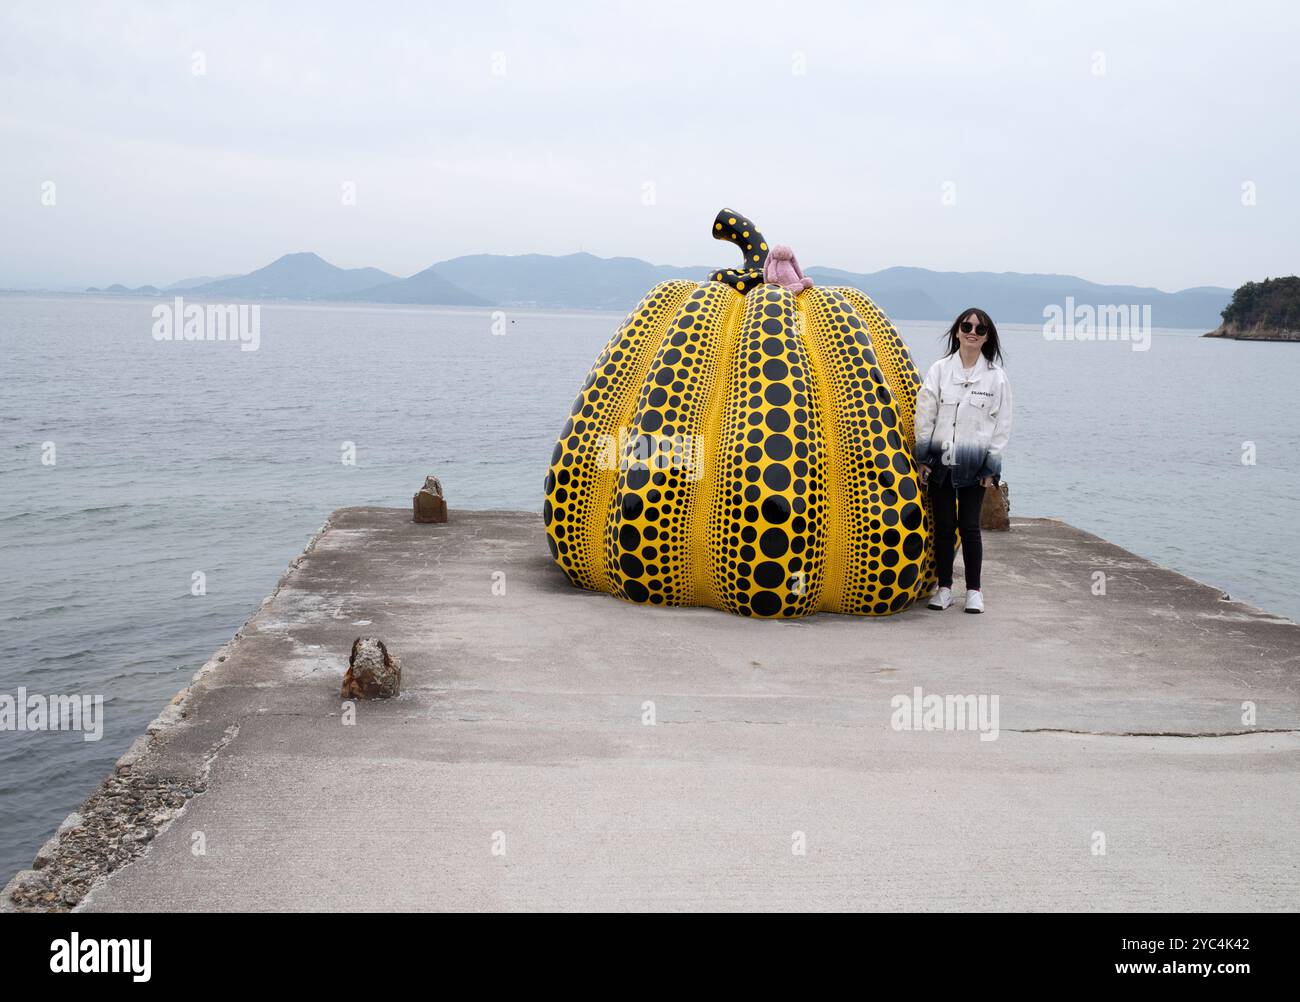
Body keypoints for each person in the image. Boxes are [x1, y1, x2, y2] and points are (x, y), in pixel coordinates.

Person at [913, 308, 1012, 614]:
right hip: (941, 461)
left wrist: (991, 467)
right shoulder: (940, 370)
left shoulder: (996, 378)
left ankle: (974, 591)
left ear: (986, 337)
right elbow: (925, 415)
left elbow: (1002, 425)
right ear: (957, 331)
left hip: (974, 463)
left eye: (980, 329)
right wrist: (924, 458)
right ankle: (944, 589)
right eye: (966, 326)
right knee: (943, 527)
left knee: (969, 527)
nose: (972, 332)